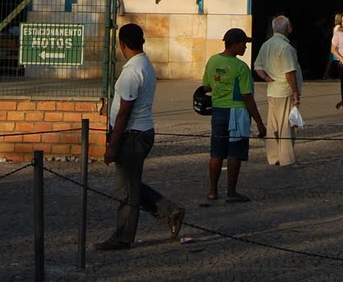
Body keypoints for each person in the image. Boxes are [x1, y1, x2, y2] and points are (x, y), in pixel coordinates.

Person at [94, 23, 185, 251]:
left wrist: (112, 145)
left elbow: (125, 111)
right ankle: (169, 211)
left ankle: (124, 236)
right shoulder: (143, 64)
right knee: (131, 184)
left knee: (127, 190)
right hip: (139, 132)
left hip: (132, 135)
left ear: (122, 43)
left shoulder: (133, 70)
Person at [201, 28, 267, 203]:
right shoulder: (241, 67)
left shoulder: (213, 61)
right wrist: (260, 123)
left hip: (218, 111)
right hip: (237, 112)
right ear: (235, 45)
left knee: (216, 152)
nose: (245, 47)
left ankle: (212, 191)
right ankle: (231, 192)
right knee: (234, 153)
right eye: (244, 44)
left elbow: (206, 87)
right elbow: (247, 97)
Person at [253, 14, 302, 167]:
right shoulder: (286, 47)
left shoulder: (266, 44)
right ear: (288, 28)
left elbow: (257, 66)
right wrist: (295, 93)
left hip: (272, 89)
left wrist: (267, 78)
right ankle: (287, 159)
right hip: (285, 90)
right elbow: (290, 72)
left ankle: (273, 156)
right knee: (286, 126)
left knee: (273, 125)